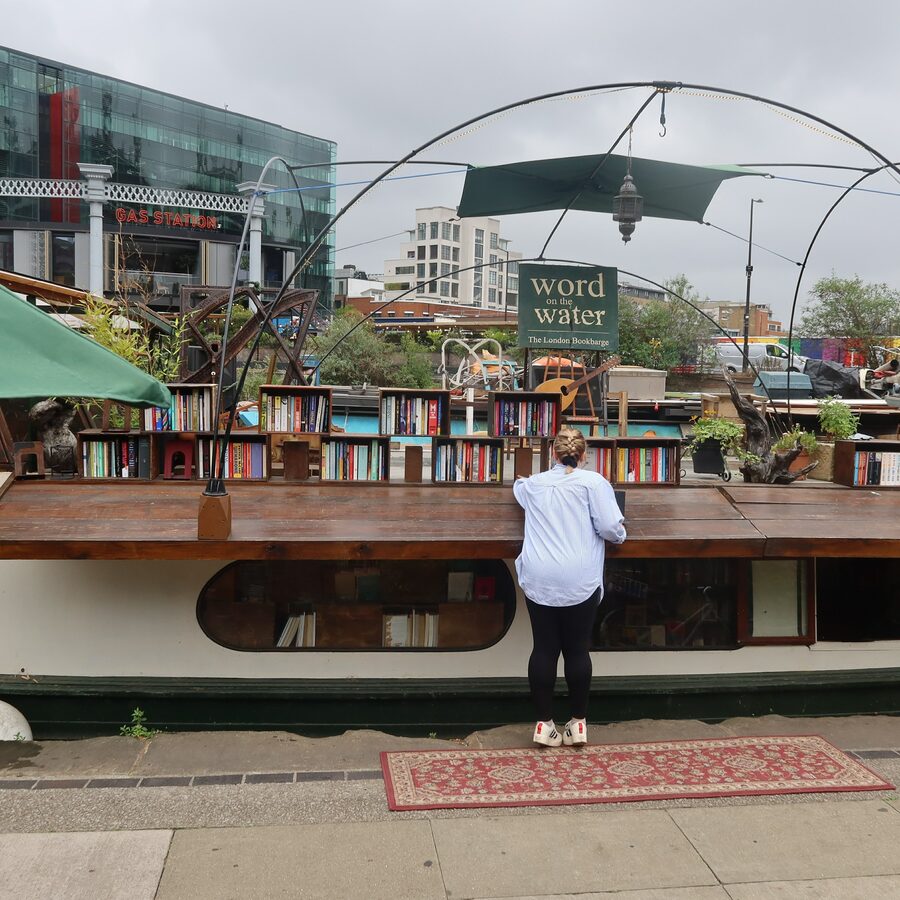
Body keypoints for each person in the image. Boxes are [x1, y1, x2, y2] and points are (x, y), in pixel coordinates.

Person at [513, 426, 626, 747]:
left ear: (552, 453)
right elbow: (608, 527)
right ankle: (577, 724)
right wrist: (620, 535)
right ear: (584, 454)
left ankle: (544, 726)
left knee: (544, 648)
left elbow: (518, 487)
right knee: (577, 649)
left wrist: (526, 480)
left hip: (539, 576)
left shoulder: (533, 486)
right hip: (579, 577)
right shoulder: (594, 483)